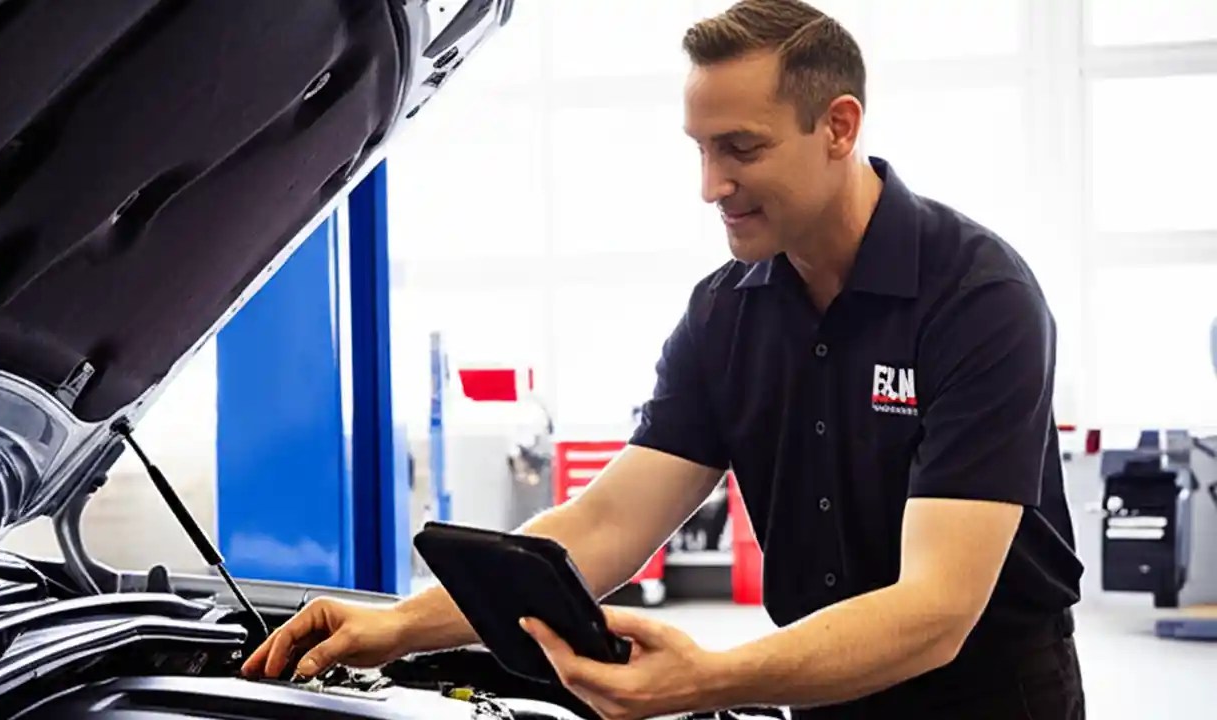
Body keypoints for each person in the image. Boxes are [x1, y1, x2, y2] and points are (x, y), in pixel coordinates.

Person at [243, 1, 1087, 717]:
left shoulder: (977, 298)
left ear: (838, 127)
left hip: (989, 698)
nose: (710, 185)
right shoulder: (724, 314)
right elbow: (606, 524)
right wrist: (398, 625)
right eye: (701, 148)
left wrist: (709, 679)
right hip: (821, 692)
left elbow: (936, 610)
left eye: (741, 149)